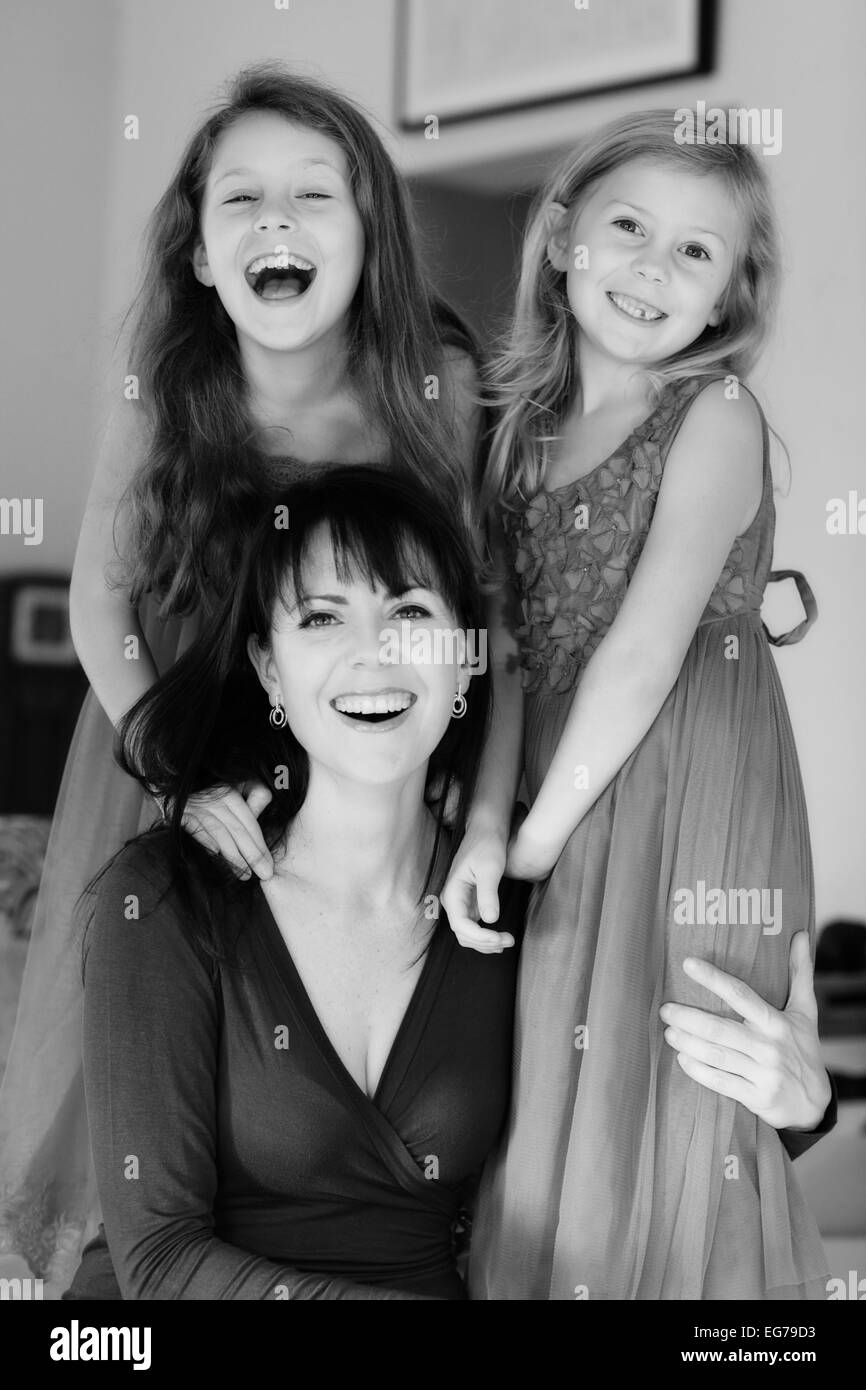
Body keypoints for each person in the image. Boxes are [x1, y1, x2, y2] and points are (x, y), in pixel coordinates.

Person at [0, 61, 489, 1293]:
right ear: (204, 257)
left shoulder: (433, 378)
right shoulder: (171, 383)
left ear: (372, 230)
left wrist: (480, 816)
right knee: (160, 1007)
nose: (276, 221)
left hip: (371, 732)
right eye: (241, 200)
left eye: (313, 194)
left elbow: (490, 615)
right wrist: (176, 781)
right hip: (186, 724)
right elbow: (104, 600)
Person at [442, 109, 834, 1299]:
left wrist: (532, 847)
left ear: (727, 298)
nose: (653, 267)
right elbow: (507, 650)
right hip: (558, 774)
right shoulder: (508, 433)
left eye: (696, 253)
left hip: (679, 779)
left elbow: (642, 651)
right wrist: (485, 829)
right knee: (547, 1094)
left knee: (665, 1096)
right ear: (560, 236)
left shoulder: (711, 416)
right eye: (627, 227)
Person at [63, 467, 527, 1300]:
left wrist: (800, 1110)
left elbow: (629, 1121)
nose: (372, 652)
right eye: (321, 617)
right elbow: (159, 1262)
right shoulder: (167, 897)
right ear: (269, 670)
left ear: (465, 657)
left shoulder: (509, 903)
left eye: (411, 612)